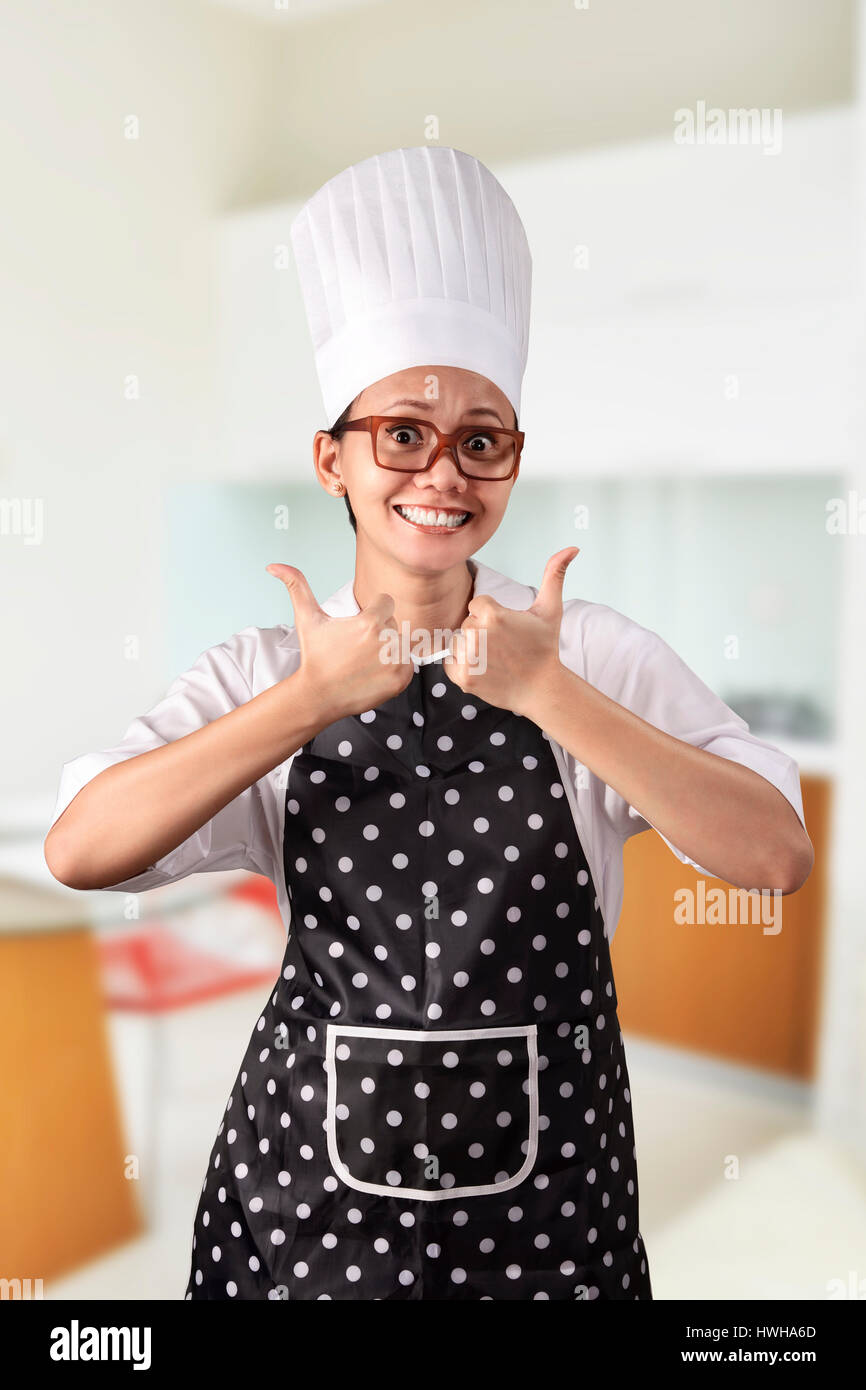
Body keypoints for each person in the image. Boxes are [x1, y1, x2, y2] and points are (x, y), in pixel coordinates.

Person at [45, 147, 813, 1300]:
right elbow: (81, 850)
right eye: (402, 431)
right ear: (332, 459)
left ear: (510, 461)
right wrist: (305, 701)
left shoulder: (584, 653)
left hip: (553, 1214)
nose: (442, 471)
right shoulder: (267, 669)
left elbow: (773, 852)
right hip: (304, 1204)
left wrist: (546, 692)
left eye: (481, 437)